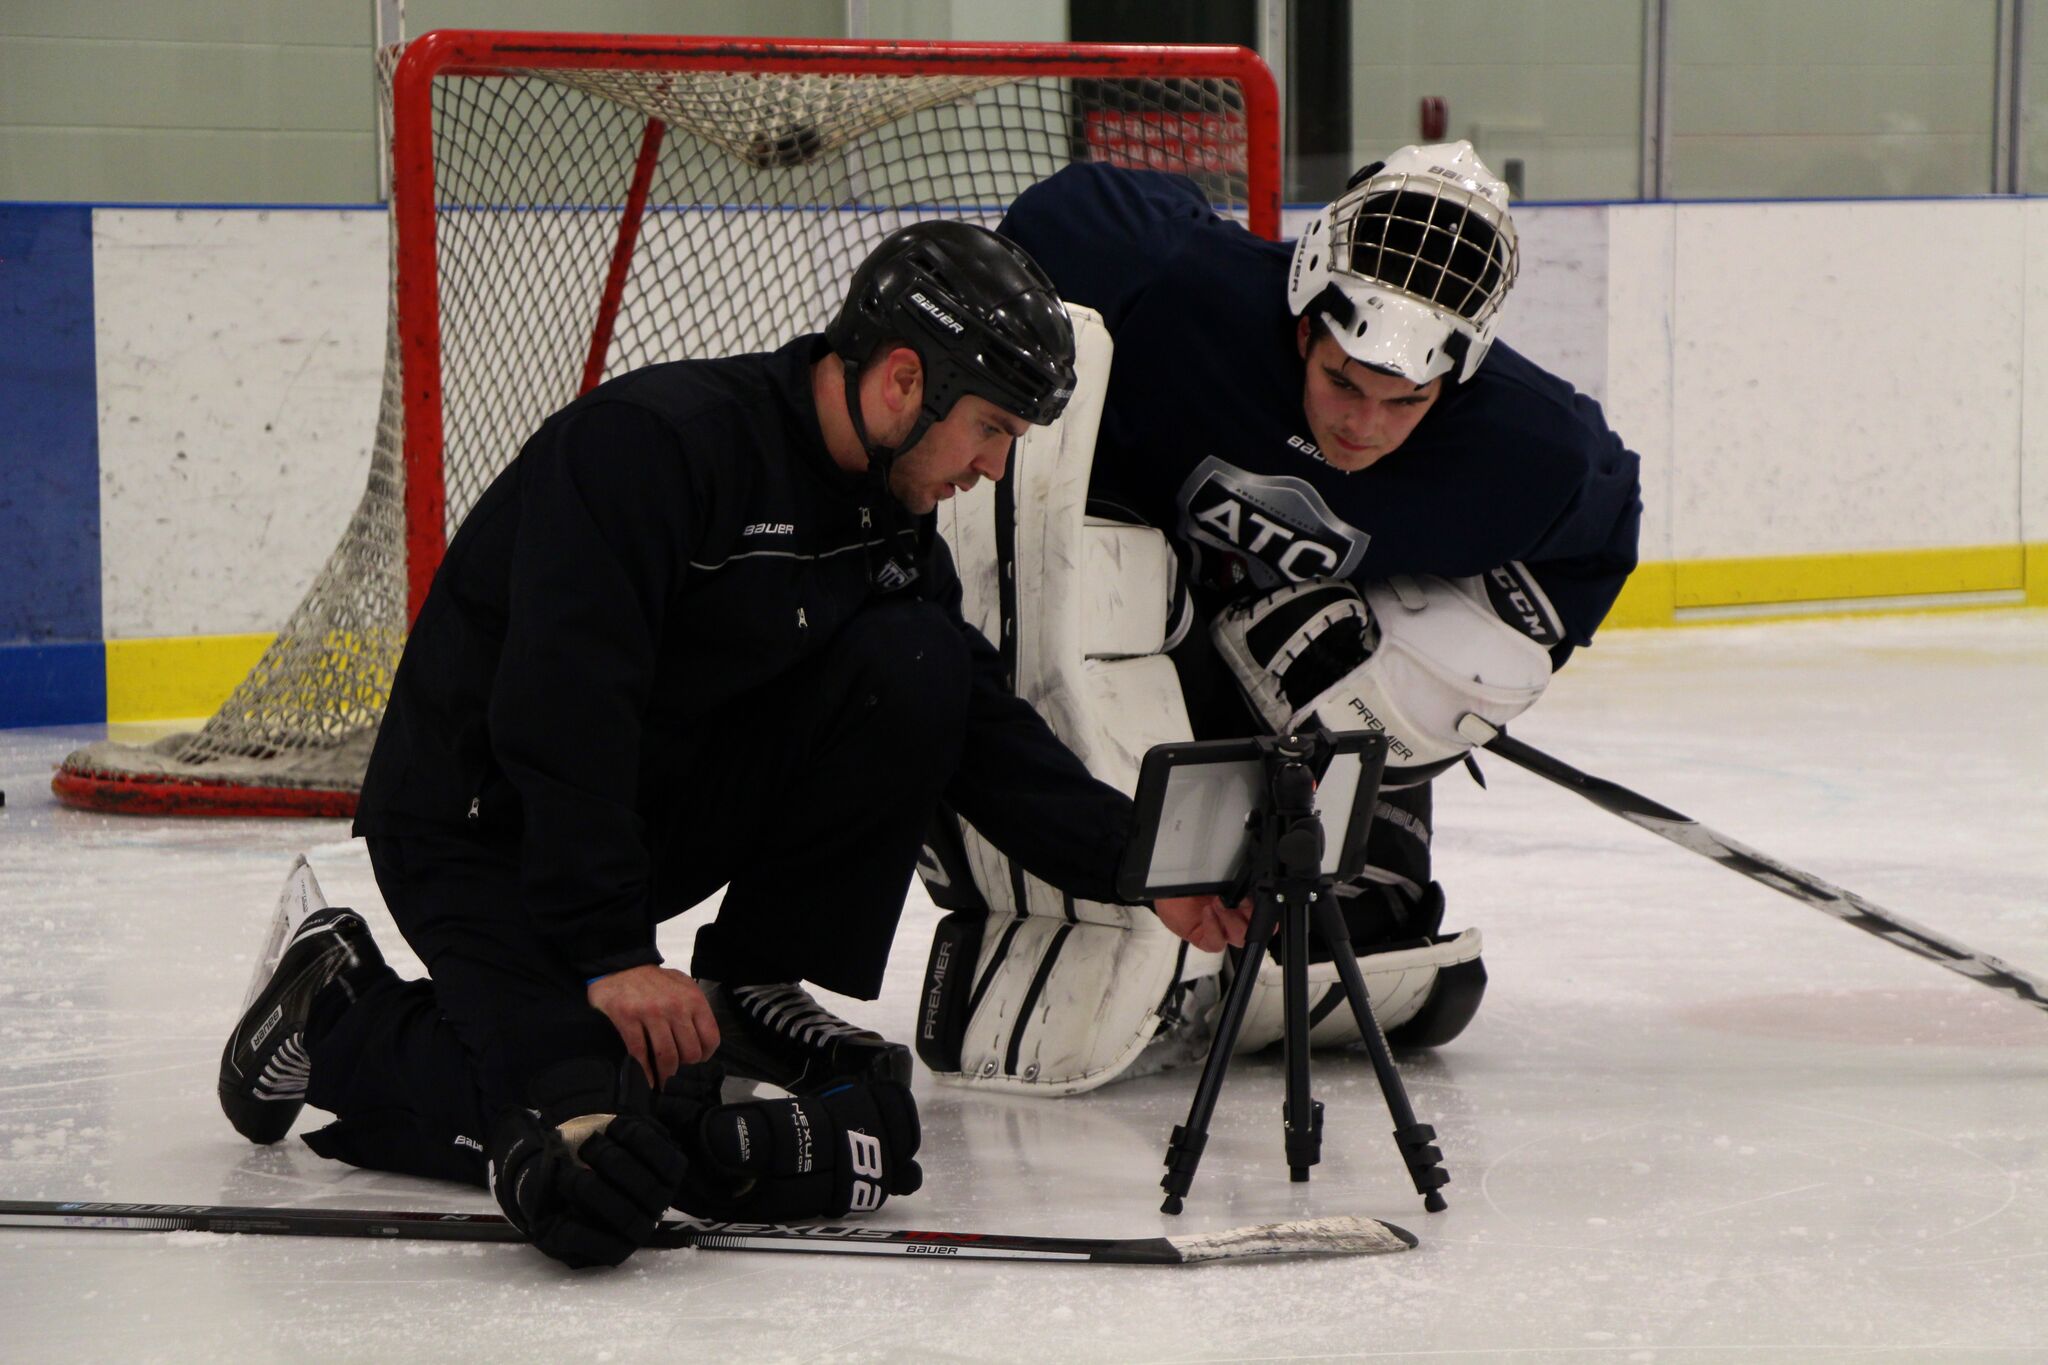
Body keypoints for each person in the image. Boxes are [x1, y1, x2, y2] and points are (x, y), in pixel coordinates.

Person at [215, 221, 1241, 1269]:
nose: (991, 466)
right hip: (481, 830)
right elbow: (564, 706)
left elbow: (973, 722)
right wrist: (611, 954)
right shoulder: (653, 447)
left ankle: (748, 987)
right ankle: (335, 1003)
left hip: (642, 807)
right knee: (604, 1175)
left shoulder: (881, 510)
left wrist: (1146, 867)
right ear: (900, 382)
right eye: (989, 429)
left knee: (918, 659)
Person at [997, 142, 1643, 1038]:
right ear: (1304, 324)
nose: (1361, 425)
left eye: (1404, 402)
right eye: (1342, 380)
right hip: (1132, 624)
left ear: (1454, 376)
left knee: (1353, 928)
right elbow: (1064, 215)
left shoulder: (1528, 452)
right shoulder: (1182, 289)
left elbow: (1600, 540)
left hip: (1302, 708)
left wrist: (1405, 693)